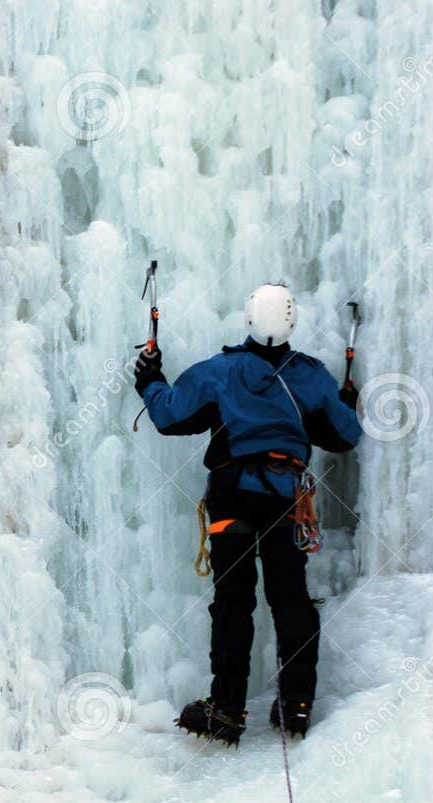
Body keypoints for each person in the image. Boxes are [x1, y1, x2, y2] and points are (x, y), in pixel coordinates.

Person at [134, 283, 362, 745]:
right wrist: (347, 400)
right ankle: (296, 704)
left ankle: (227, 709)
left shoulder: (220, 371)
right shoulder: (311, 377)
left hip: (232, 494)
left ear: (249, 319)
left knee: (233, 598)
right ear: (292, 322)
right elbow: (344, 435)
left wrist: (149, 378)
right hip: (286, 497)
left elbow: (170, 415)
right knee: (290, 597)